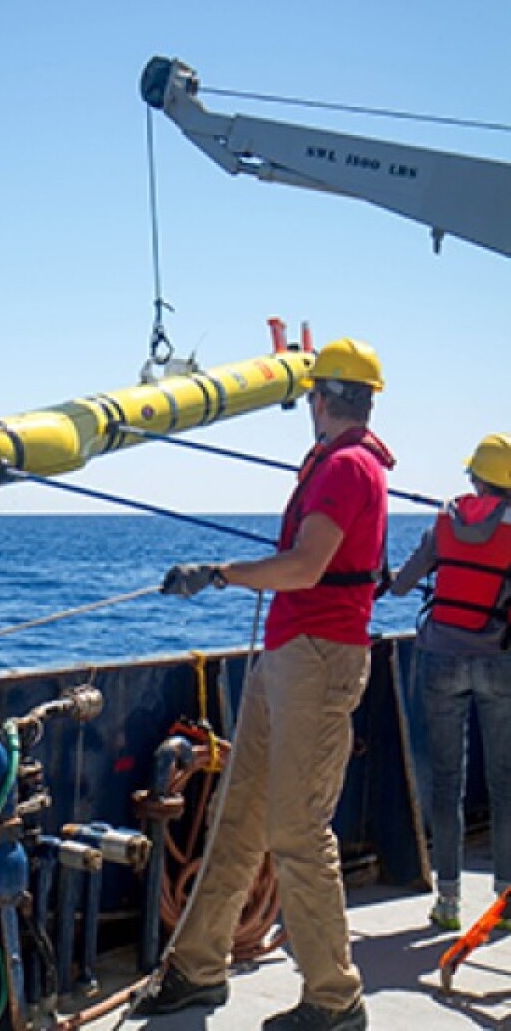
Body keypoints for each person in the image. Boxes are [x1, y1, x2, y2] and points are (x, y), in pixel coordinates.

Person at [137, 337, 394, 1031]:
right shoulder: (350, 466)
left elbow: (305, 567)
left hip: (314, 661)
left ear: (320, 398)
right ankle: (196, 969)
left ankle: (334, 998)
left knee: (297, 831)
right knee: (240, 815)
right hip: (290, 656)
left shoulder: (343, 468)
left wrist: (218, 573)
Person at [389, 433, 511, 932]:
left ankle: (448, 900)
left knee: (446, 784)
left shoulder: (443, 524)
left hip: (440, 659)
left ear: (476, 481)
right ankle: (504, 902)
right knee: (504, 785)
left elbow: (399, 584)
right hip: (499, 662)